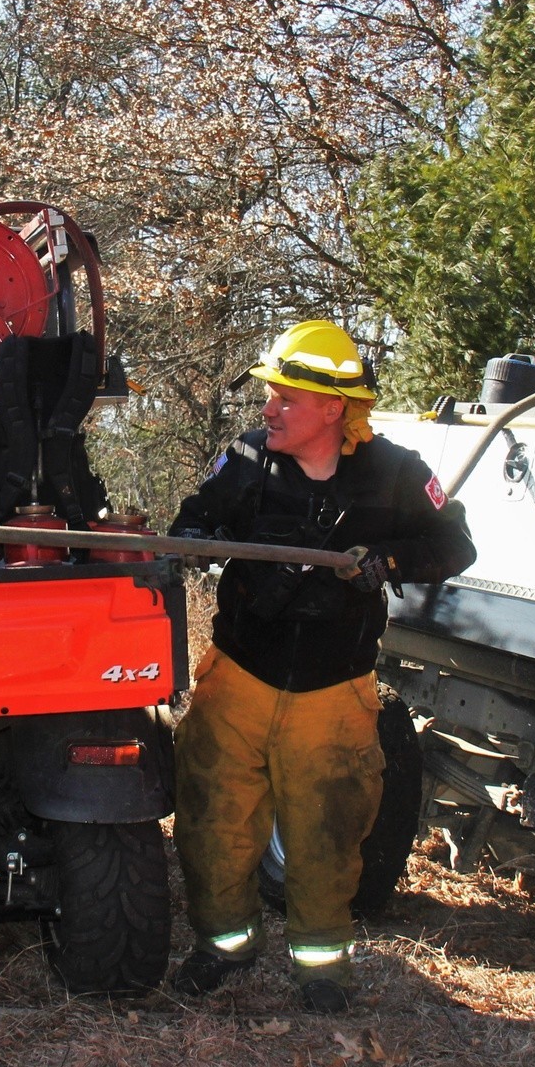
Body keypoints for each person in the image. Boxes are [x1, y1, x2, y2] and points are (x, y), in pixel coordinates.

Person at [168, 320, 473, 1013]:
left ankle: (322, 967)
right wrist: (198, 541)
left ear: (334, 409)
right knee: (214, 825)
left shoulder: (397, 473)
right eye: (270, 396)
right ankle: (224, 945)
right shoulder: (247, 460)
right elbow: (190, 523)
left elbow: (456, 543)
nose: (268, 409)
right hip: (239, 678)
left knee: (328, 834)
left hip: (335, 694)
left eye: (286, 398)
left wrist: (386, 560)